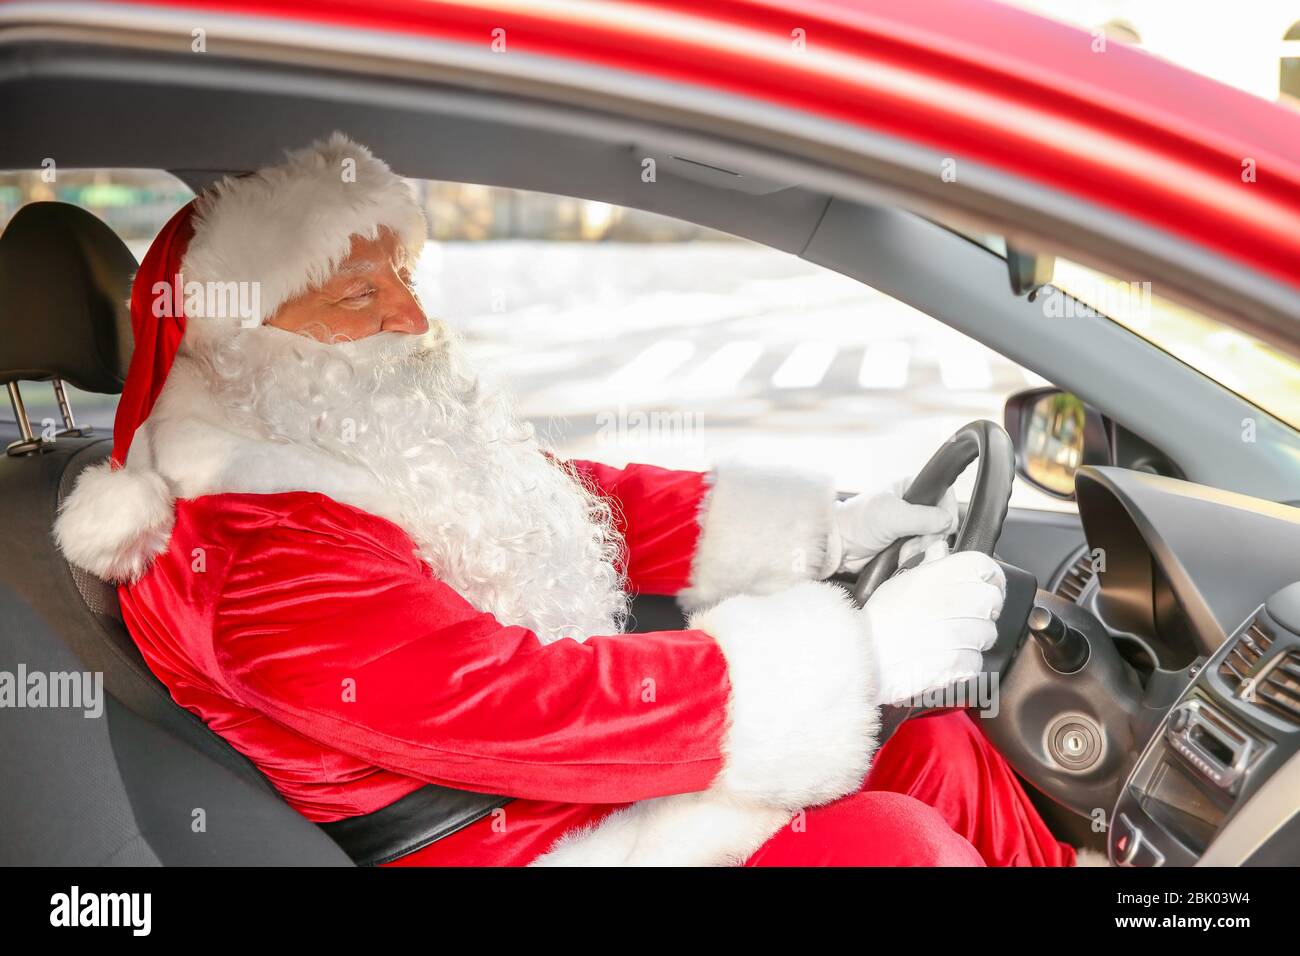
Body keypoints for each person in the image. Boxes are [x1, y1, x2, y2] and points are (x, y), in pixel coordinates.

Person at [56, 134, 1074, 866]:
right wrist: (854, 657)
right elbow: (499, 698)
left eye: (403, 276)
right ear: (242, 339)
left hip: (565, 784)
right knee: (880, 842)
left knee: (926, 740)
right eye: (358, 295)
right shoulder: (247, 543)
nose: (412, 316)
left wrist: (831, 530)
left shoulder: (348, 436)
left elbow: (579, 501)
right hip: (505, 833)